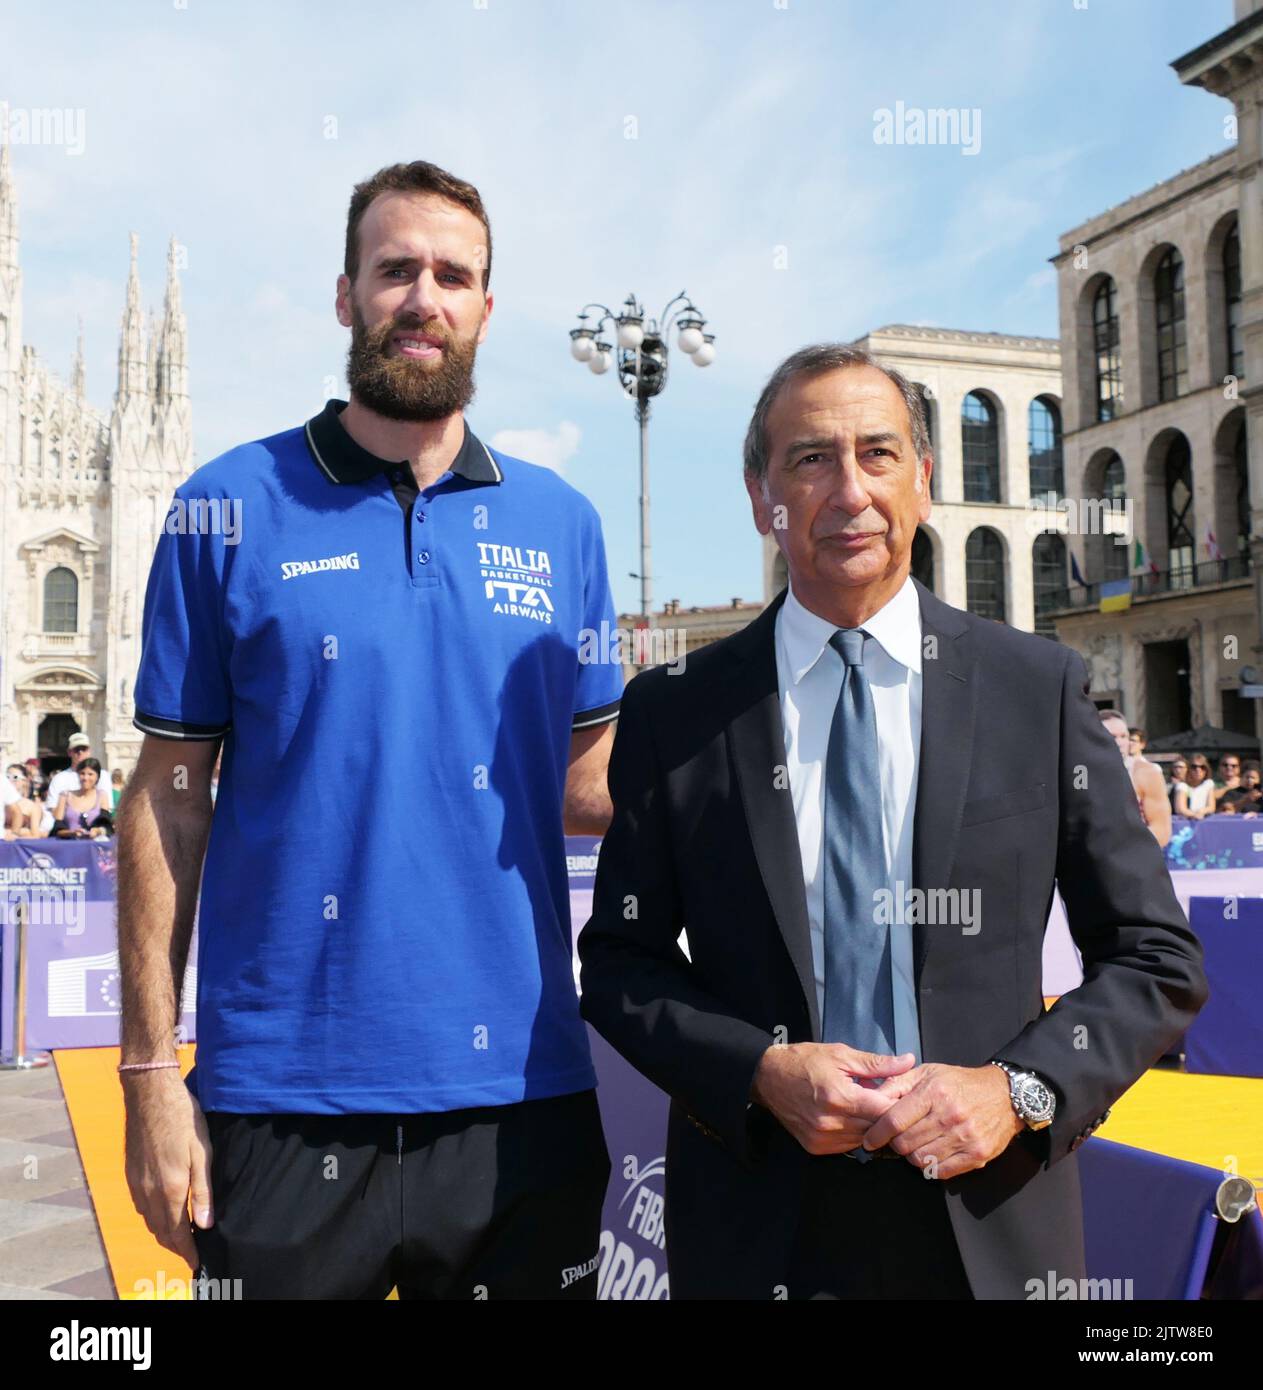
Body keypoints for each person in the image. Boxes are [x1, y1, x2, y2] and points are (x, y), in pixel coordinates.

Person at [579, 343, 1208, 1300]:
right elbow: (621, 965)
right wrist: (758, 1069)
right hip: (755, 1225)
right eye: (809, 459)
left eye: (877, 454)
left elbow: (1155, 959)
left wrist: (1017, 1091)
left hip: (989, 1222)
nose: (847, 491)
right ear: (762, 497)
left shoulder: (1035, 689)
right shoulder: (674, 710)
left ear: (920, 480)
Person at [118, 160, 622, 1301]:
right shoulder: (226, 504)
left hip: (522, 1103)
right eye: (395, 269)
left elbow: (592, 783)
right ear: (346, 293)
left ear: (488, 308)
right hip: (281, 1106)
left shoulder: (563, 523)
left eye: (453, 275)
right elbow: (164, 799)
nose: (423, 297)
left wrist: (789, 742)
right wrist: (148, 1071)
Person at [1098, 709, 1171, 848]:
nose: (1120, 743)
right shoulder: (1080, 772)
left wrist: (1125, 851)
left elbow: (1161, 829)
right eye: (1112, 736)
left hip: (1130, 859)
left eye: (1124, 736)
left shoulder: (1146, 772)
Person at [45, 733, 114, 814]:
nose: (80, 752)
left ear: (89, 751)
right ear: (69, 752)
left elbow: (107, 807)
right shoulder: (59, 779)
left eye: (84, 749)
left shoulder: (103, 776)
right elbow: (52, 808)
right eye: (76, 749)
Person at [53, 757, 113, 839]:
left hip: (94, 846)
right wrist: (71, 832)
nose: (85, 778)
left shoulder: (102, 796)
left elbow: (106, 826)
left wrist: (97, 831)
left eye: (90, 774)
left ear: (97, 777)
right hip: (69, 845)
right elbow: (57, 829)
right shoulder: (65, 796)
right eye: (82, 773)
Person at [4, 766, 44, 839]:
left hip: (21, 848)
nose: (10, 781)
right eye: (7, 777)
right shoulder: (2, 804)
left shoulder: (32, 807)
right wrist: (24, 831)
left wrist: (9, 832)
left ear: (24, 781)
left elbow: (35, 835)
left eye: (15, 777)